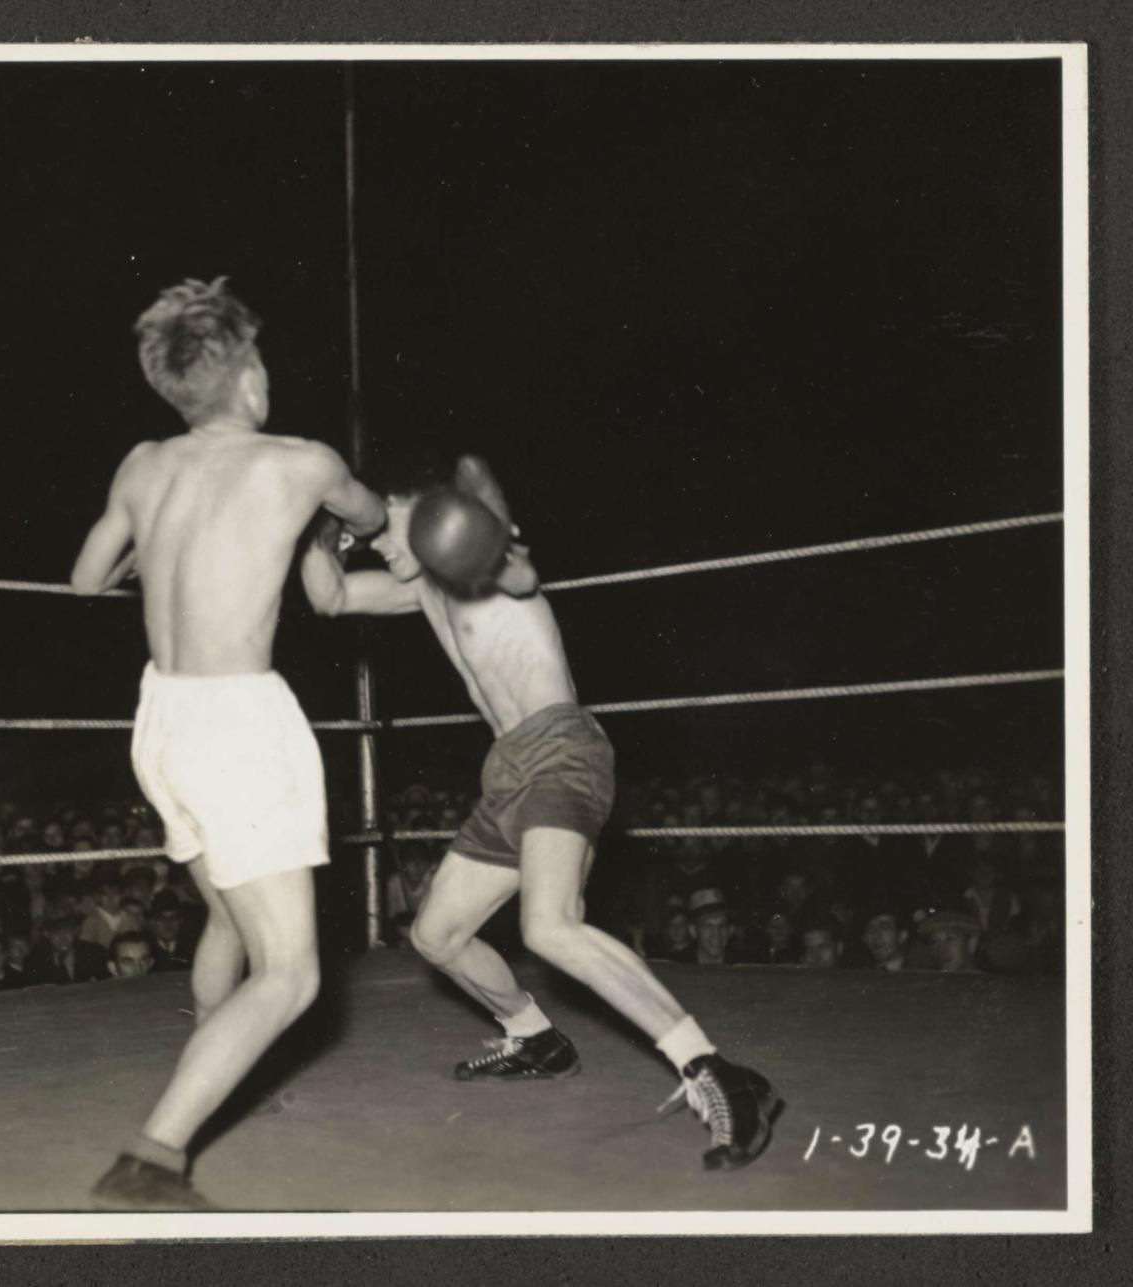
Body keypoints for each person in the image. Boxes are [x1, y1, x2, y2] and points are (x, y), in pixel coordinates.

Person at [301, 455, 780, 1171]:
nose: (380, 548)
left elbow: (514, 567)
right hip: (508, 772)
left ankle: (715, 1071)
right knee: (437, 933)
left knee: (550, 925)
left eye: (383, 532)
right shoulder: (425, 590)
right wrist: (327, 528)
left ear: (420, 508)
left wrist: (488, 524)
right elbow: (329, 597)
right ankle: (533, 1036)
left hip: (561, 749)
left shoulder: (476, 561)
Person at [71, 277, 387, 1209]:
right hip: (240, 723)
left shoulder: (141, 463)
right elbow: (370, 518)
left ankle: (213, 1076)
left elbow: (88, 577)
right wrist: (321, 521)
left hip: (160, 717)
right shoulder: (301, 461)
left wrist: (174, 550)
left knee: (226, 917)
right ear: (248, 374)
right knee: (290, 971)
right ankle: (154, 1153)